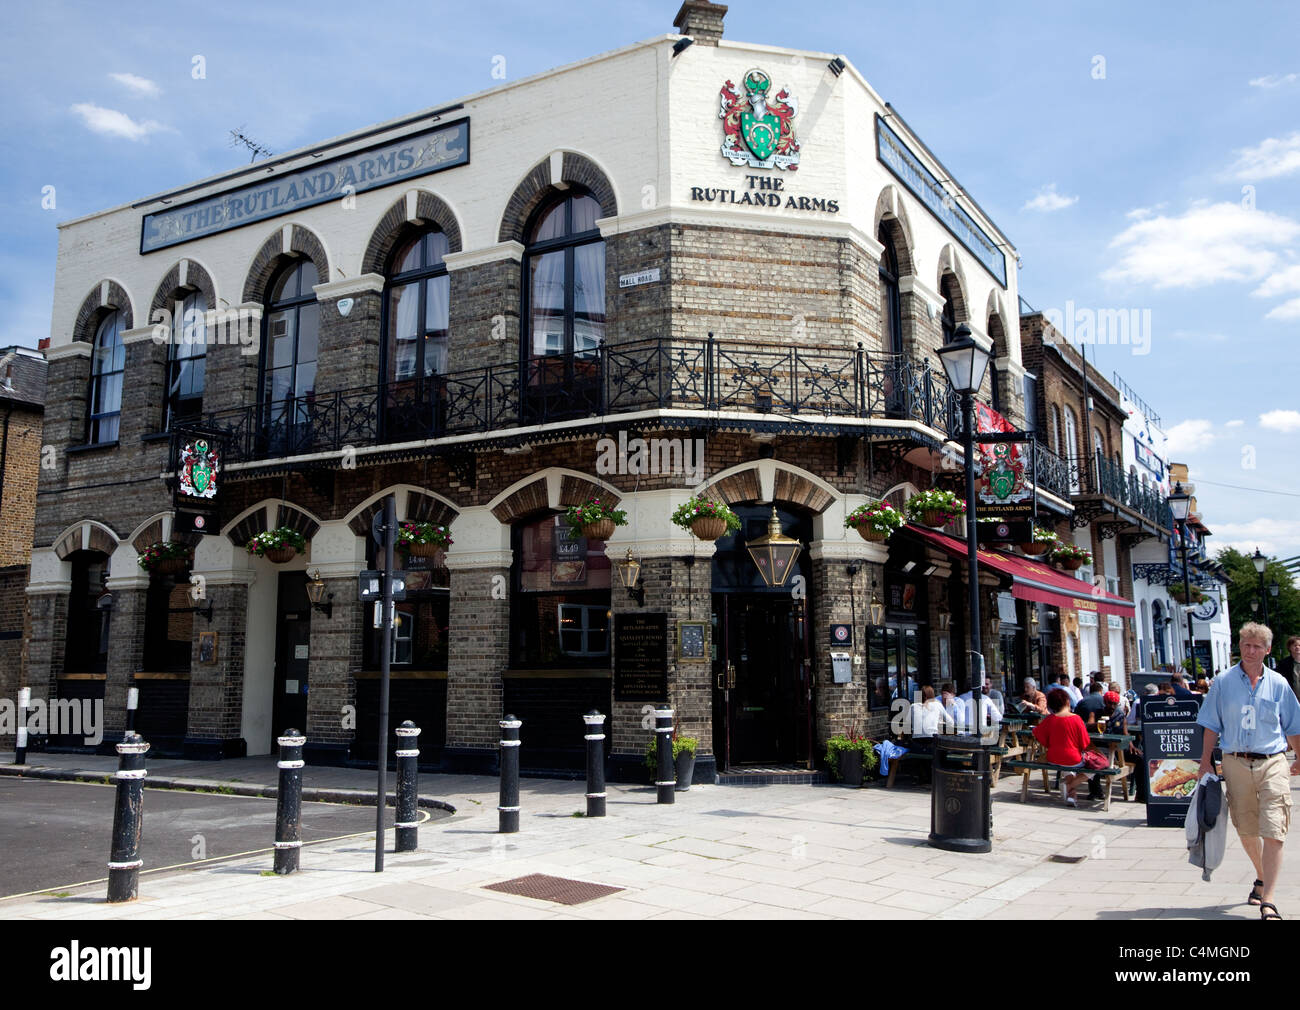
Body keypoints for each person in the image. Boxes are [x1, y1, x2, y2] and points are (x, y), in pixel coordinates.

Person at [1196, 622, 1300, 920]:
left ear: (1267, 650)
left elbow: (1293, 725)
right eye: (1246, 645)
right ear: (1239, 647)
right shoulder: (1223, 682)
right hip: (1235, 761)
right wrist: (1205, 761)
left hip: (1273, 761)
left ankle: (1268, 901)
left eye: (1257, 646)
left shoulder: (1279, 683)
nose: (1250, 651)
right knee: (1246, 829)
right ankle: (1261, 873)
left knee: (1275, 828)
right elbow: (1211, 725)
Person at [1033, 688, 1091, 807]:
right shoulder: (1076, 719)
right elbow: (1085, 743)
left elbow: (1038, 734)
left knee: (1066, 765)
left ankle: (1072, 795)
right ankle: (1070, 786)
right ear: (1067, 701)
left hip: (1053, 757)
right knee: (1099, 765)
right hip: (1072, 758)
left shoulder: (1050, 719)